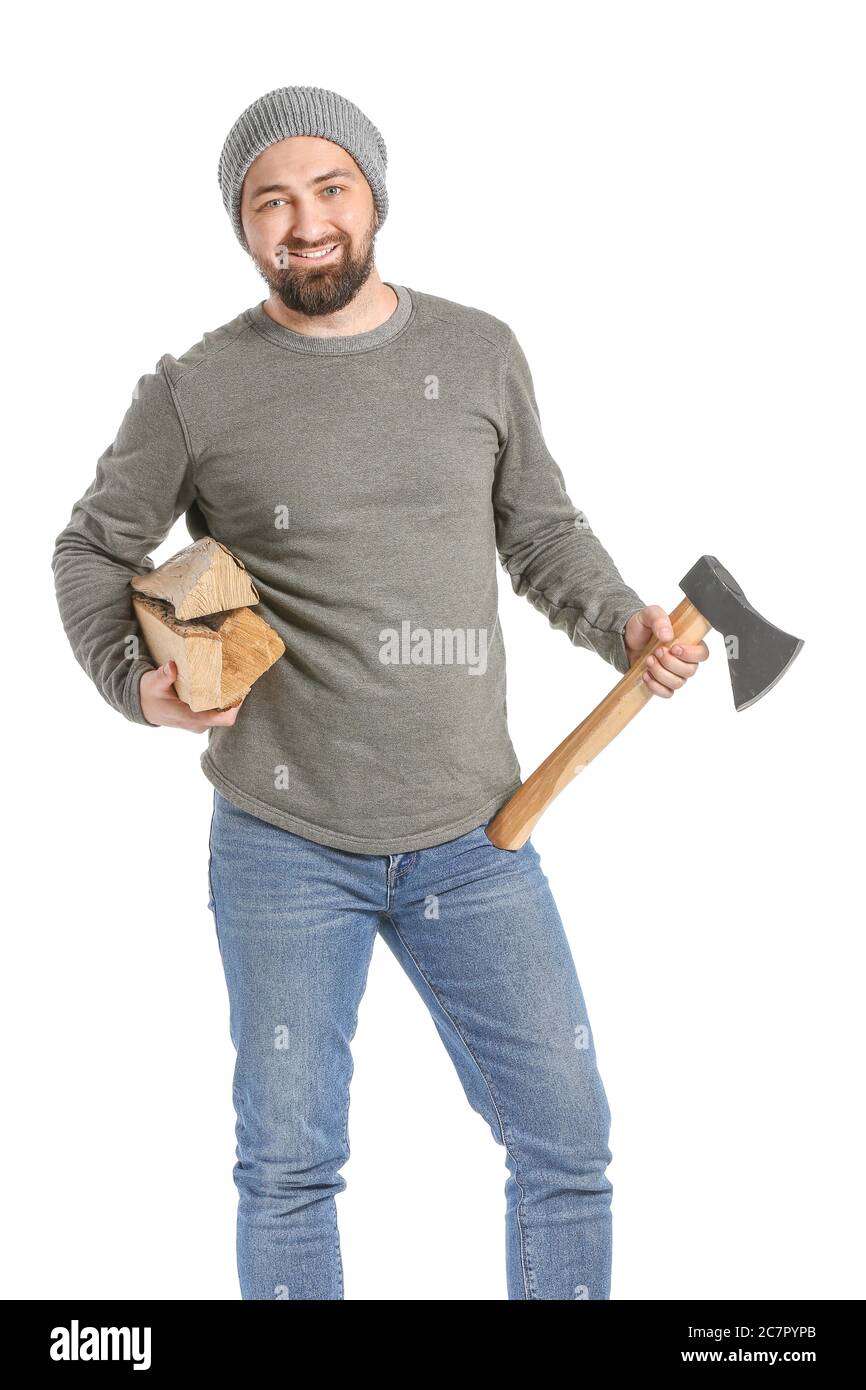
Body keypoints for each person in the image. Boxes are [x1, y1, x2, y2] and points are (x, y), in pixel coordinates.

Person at [52, 85, 709, 1300]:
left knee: (566, 1145)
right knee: (288, 1170)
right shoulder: (196, 388)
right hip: (283, 839)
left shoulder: (476, 352)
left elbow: (541, 532)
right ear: (244, 227)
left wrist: (618, 617)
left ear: (373, 196)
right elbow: (90, 549)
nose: (304, 222)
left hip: (478, 829)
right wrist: (135, 687)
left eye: (328, 188)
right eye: (271, 202)